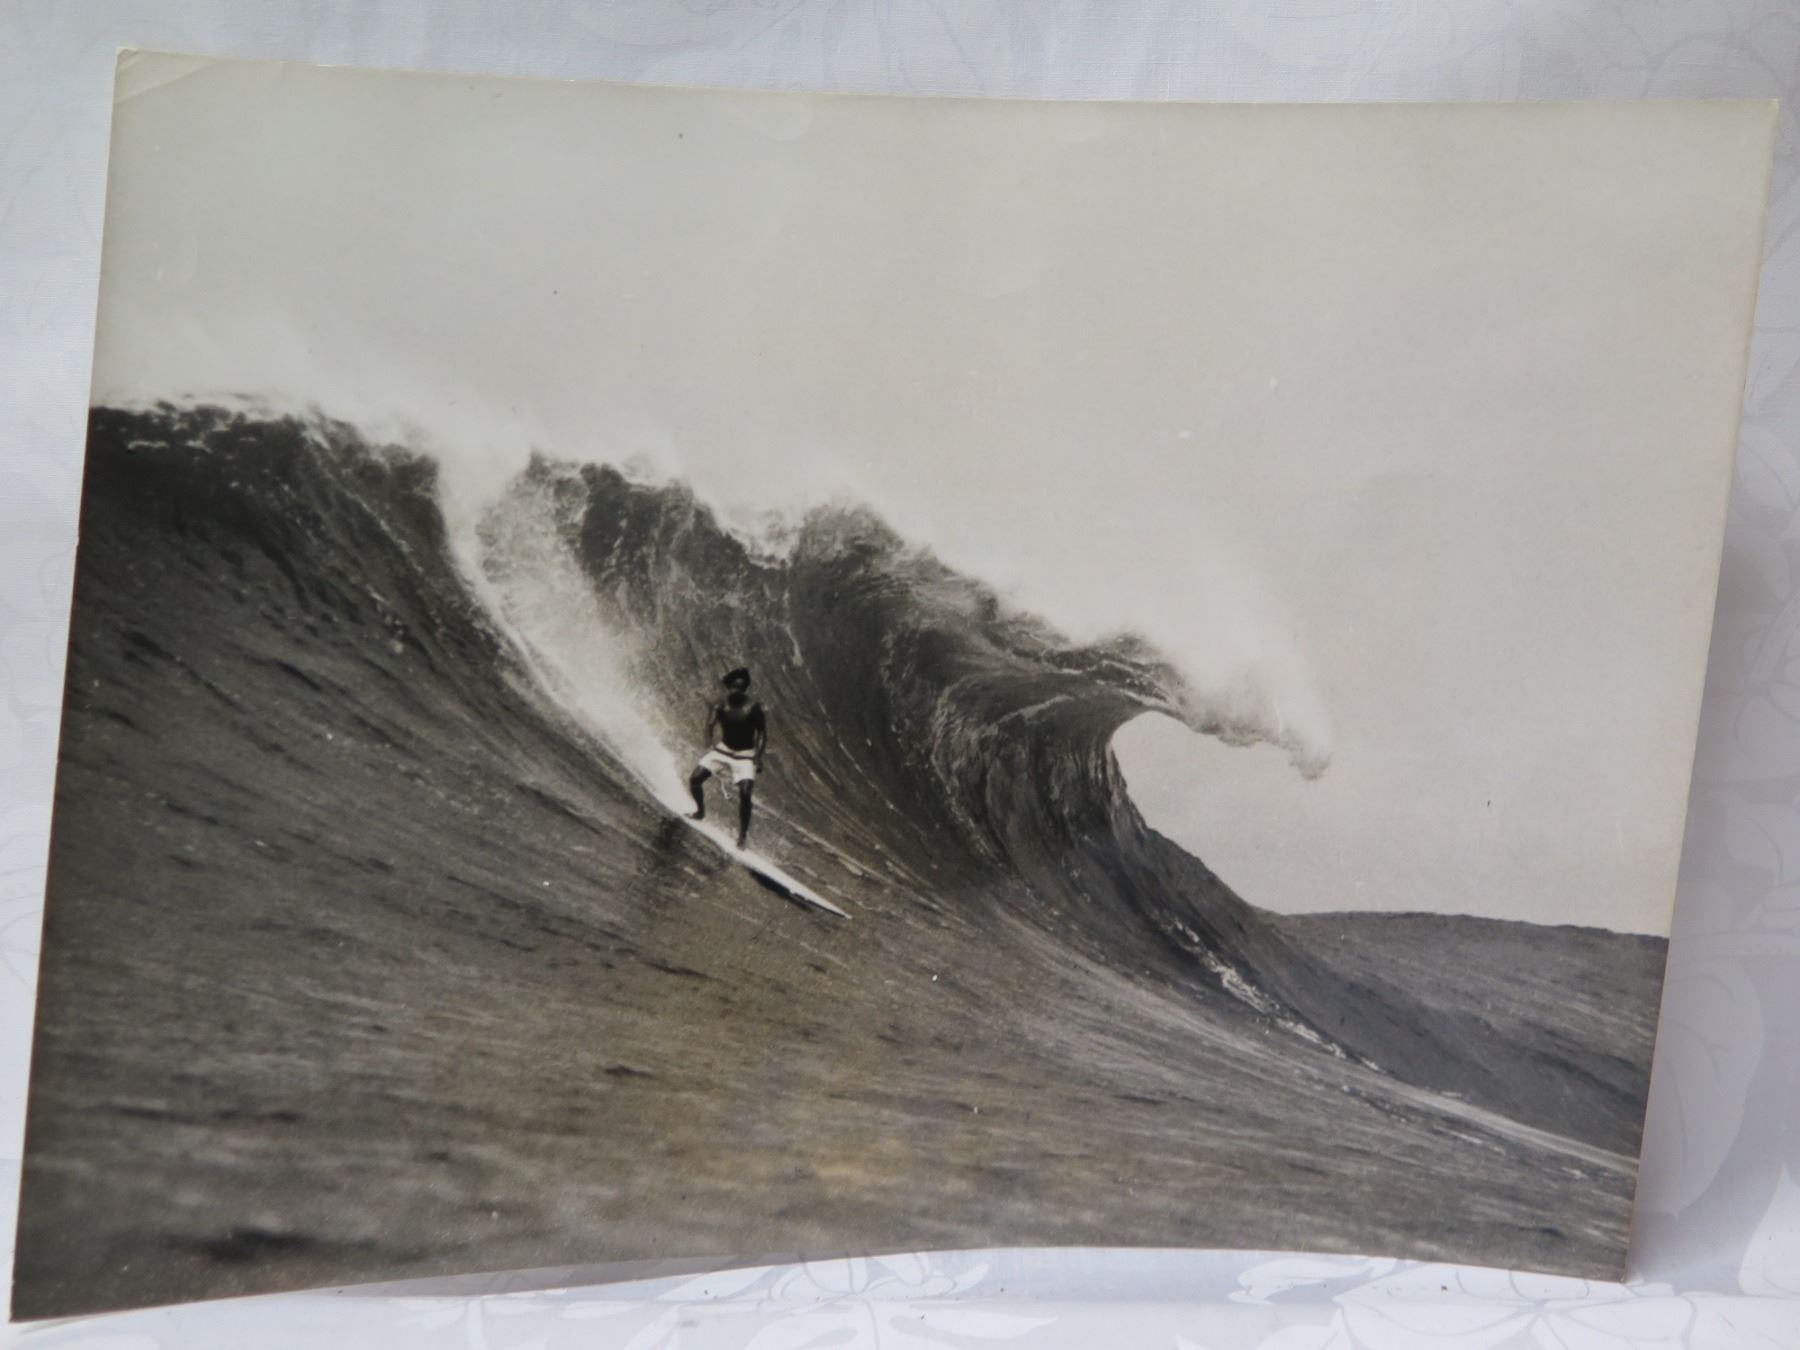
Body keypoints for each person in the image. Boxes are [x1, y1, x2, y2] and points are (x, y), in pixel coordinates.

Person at [688, 666, 767, 849]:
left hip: (745, 756)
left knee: (745, 794)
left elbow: (762, 733)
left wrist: (758, 757)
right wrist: (708, 741)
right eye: (733, 687)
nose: (736, 691)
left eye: (740, 688)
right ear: (729, 687)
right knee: (695, 779)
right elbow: (709, 725)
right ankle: (700, 812)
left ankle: (742, 836)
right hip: (722, 751)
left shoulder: (753, 707)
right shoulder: (720, 704)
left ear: (744, 689)